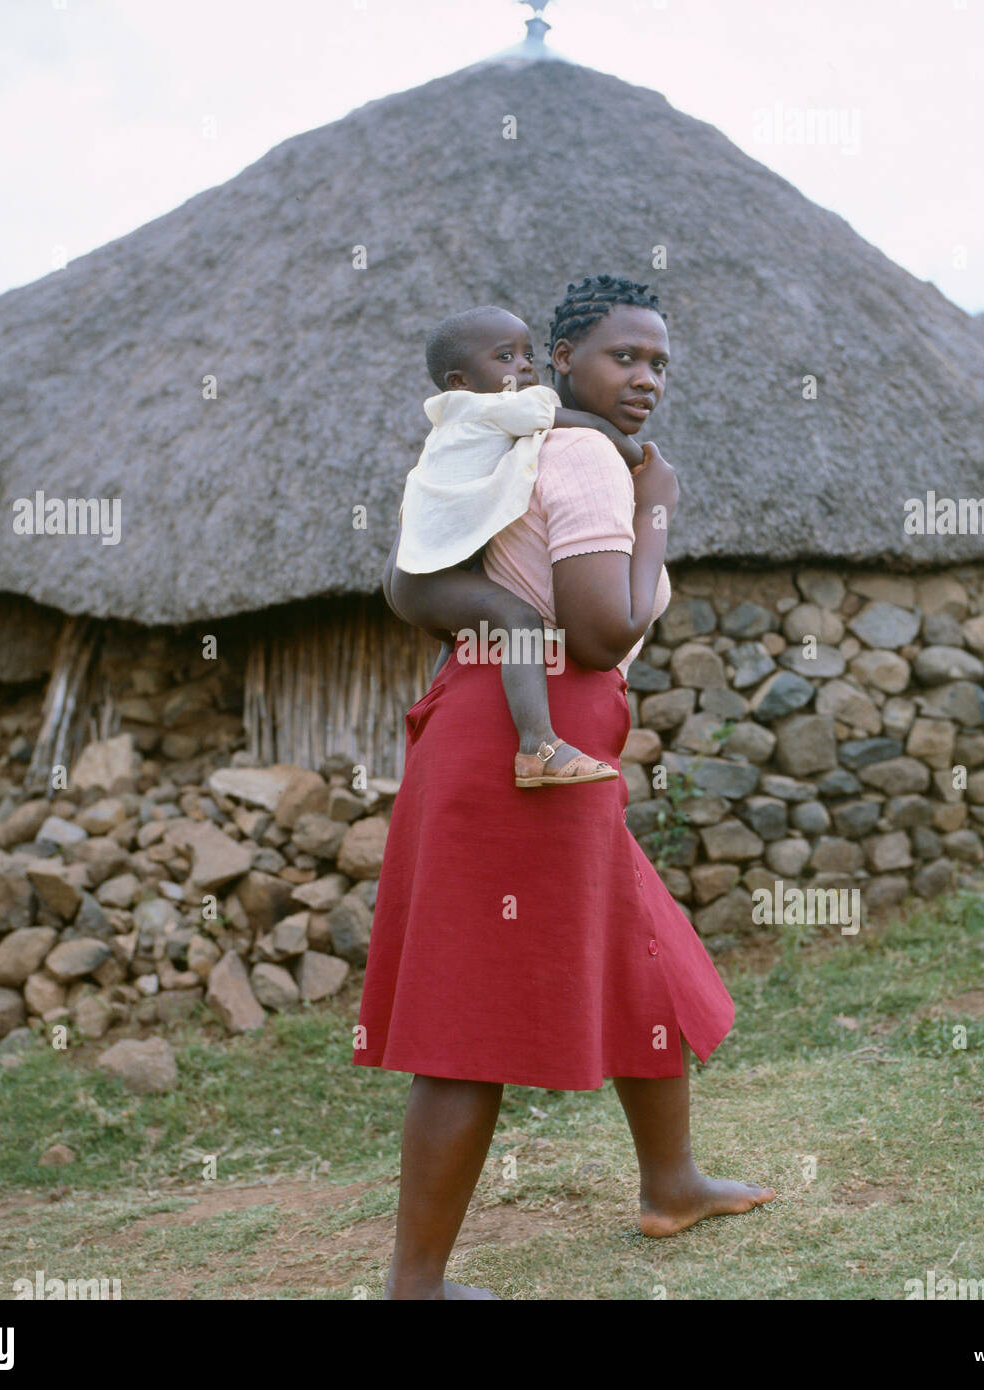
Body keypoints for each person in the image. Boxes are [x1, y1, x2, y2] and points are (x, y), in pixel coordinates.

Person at [362, 275, 775, 1300]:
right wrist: (660, 515)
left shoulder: (523, 451)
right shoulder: (586, 457)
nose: (646, 379)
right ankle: (418, 1285)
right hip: (524, 750)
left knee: (644, 948)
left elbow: (415, 583)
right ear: (561, 362)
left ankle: (671, 1182)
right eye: (623, 357)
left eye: (659, 363)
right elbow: (600, 631)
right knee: (469, 1016)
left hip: (518, 735)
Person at [384, 303, 645, 787]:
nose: (525, 366)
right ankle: (538, 746)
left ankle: (433, 705)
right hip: (429, 578)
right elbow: (599, 429)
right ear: (460, 381)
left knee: (469, 637)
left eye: (528, 353)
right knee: (518, 619)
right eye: (505, 356)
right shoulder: (501, 409)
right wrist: (638, 458)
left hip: (416, 575)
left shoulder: (458, 416)